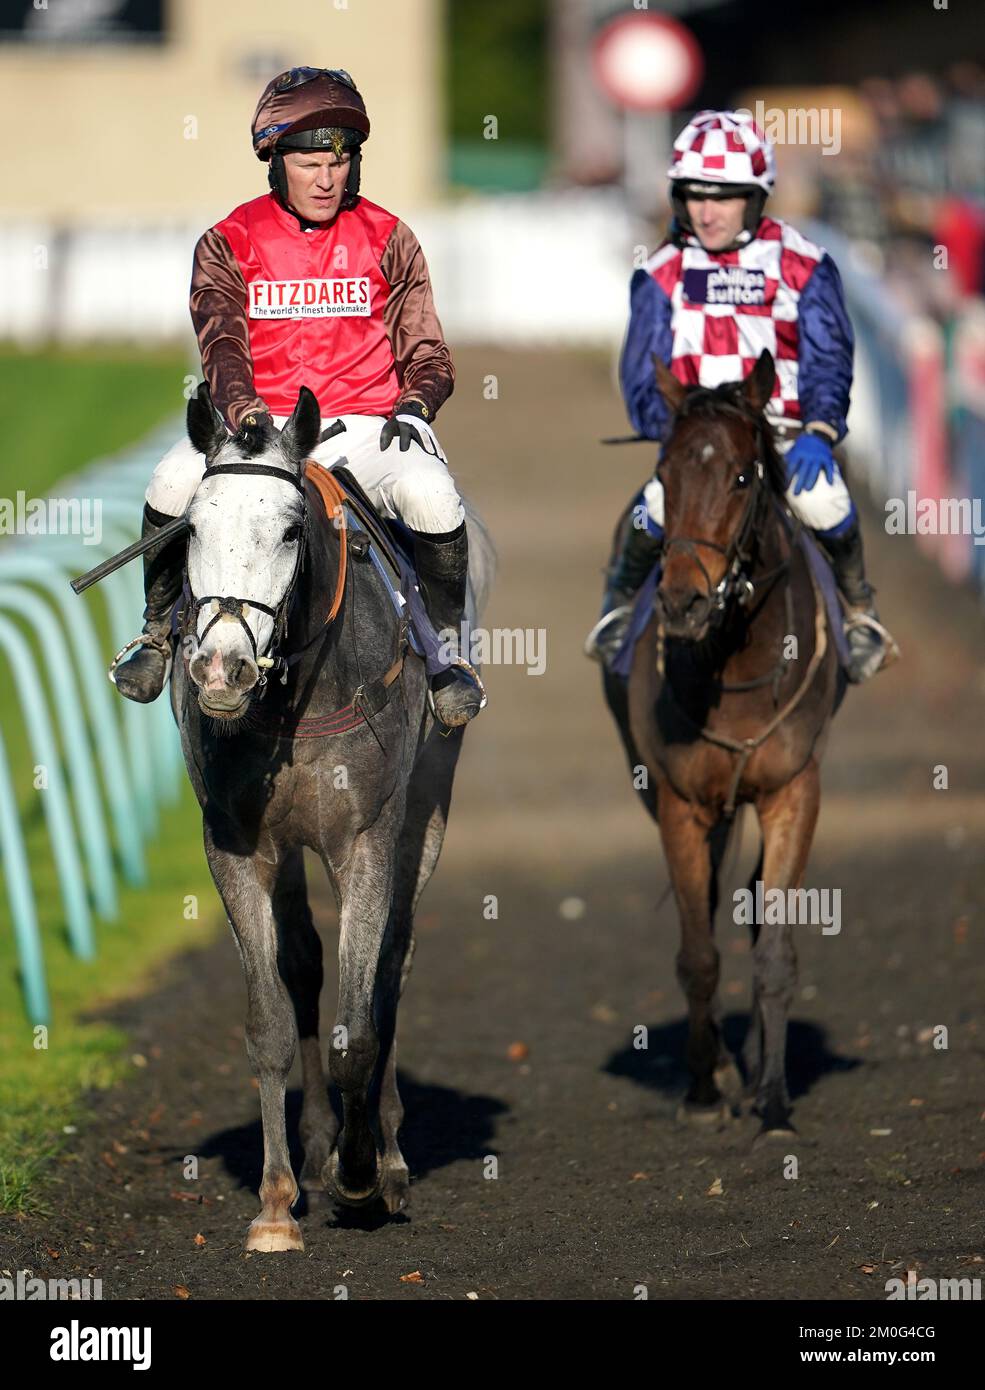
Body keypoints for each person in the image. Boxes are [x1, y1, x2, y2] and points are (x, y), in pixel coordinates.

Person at [113, 66, 483, 727]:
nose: (325, 179)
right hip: (260, 428)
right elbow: (219, 339)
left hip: (370, 428)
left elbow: (426, 348)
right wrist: (242, 408)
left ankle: (448, 651)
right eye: (309, 163)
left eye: (338, 164)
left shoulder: (390, 238)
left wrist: (417, 403)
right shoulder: (228, 242)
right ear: (275, 161)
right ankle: (156, 635)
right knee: (171, 480)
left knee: (430, 495)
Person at [586, 109, 895, 684]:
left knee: (827, 504)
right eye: (696, 196)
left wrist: (821, 432)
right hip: (701, 439)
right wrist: (677, 431)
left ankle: (858, 611)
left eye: (724, 197)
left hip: (784, 439)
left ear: (754, 199)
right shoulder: (659, 272)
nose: (707, 212)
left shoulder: (805, 265)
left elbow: (830, 356)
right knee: (652, 509)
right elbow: (639, 373)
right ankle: (619, 608)